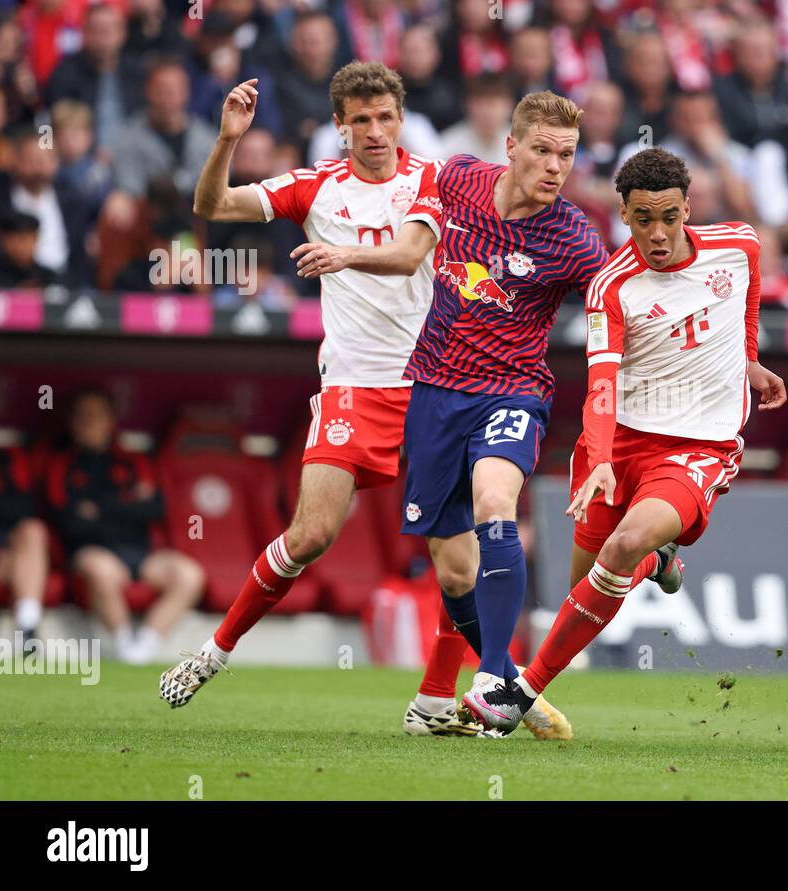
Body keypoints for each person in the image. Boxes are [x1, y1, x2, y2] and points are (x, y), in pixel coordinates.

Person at [157, 64, 571, 741]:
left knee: (457, 563)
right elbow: (213, 206)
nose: (375, 131)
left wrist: (342, 255)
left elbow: (409, 255)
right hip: (353, 385)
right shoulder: (315, 185)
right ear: (340, 125)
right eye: (361, 120)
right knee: (311, 535)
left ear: (400, 119)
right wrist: (228, 139)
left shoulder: (434, 180)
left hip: (436, 385)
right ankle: (214, 652)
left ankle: (438, 700)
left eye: (384, 117)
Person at [459, 147, 787, 733]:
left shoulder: (740, 245)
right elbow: (602, 386)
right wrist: (603, 459)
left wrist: (750, 358)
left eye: (669, 217)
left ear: (688, 208)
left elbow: (749, 295)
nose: (657, 234)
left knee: (622, 547)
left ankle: (519, 693)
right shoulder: (612, 287)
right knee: (585, 588)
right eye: (643, 219)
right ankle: (657, 560)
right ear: (624, 215)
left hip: (697, 447)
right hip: (618, 444)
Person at [315, 90, 608, 732]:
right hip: (435, 392)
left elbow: (621, 309)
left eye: (566, 155)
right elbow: (406, 245)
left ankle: (494, 683)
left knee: (495, 503)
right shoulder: (457, 179)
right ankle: (496, 677)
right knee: (453, 573)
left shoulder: (576, 239)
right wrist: (347, 249)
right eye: (542, 150)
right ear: (510, 146)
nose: (554, 167)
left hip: (513, 390)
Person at [46, 389, 205, 664]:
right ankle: (123, 645)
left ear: (111, 421)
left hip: (139, 554)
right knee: (101, 568)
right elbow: (68, 522)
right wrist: (126, 504)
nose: (90, 422)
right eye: (83, 416)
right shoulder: (61, 464)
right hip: (92, 552)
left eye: (97, 415)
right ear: (71, 422)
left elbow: (155, 508)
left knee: (190, 574)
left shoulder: (134, 461)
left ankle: (144, 645)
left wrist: (98, 510)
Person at [0, 446, 50, 650]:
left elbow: (24, 506)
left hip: (8, 550)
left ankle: (28, 627)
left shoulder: (8, 460)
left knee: (32, 531)